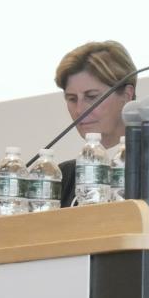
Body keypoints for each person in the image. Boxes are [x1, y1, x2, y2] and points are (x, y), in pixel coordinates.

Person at [52, 41, 137, 207]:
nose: (79, 110)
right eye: (72, 99)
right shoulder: (64, 177)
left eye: (91, 97)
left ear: (127, 95)